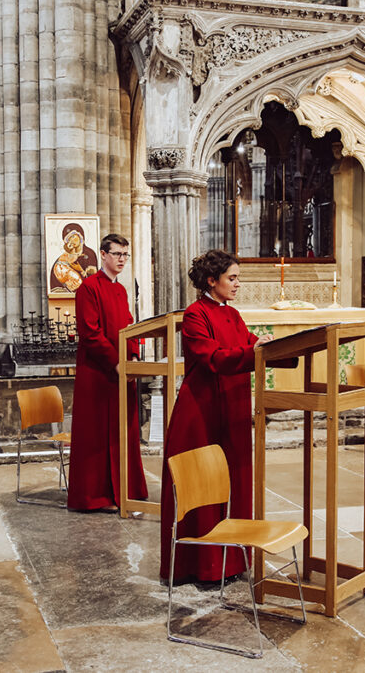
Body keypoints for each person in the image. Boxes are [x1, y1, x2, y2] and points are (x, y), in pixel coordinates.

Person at [159, 250, 272, 583]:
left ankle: (232, 562)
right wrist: (253, 350)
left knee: (234, 481)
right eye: (231, 278)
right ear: (212, 280)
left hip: (233, 408)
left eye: (238, 278)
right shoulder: (195, 314)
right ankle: (201, 565)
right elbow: (213, 357)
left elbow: (249, 345)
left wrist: (269, 347)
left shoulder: (233, 315)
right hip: (202, 411)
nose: (237, 284)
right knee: (203, 484)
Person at [66, 234, 149, 510]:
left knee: (123, 431)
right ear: (103, 255)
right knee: (97, 435)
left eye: (125, 255)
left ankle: (126, 490)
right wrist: (116, 362)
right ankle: (97, 496)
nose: (122, 259)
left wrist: (133, 356)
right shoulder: (88, 287)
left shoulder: (121, 290)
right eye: (117, 254)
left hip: (122, 371)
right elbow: (90, 332)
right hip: (98, 373)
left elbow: (130, 326)